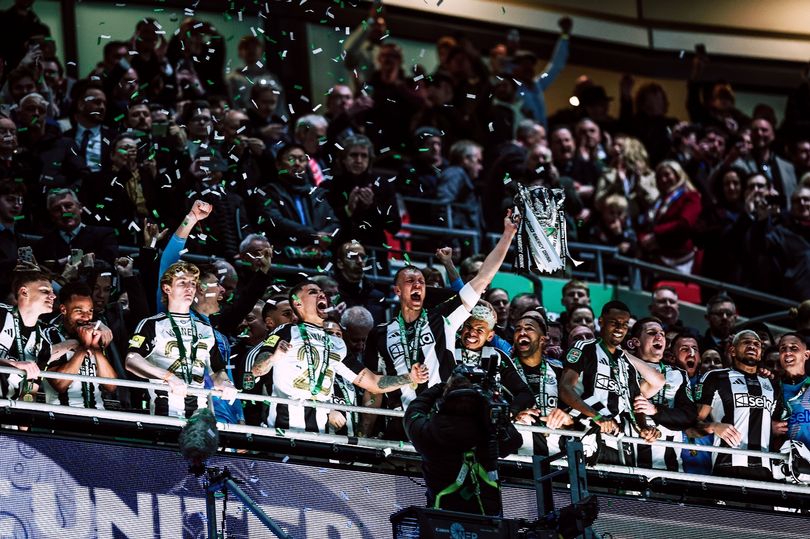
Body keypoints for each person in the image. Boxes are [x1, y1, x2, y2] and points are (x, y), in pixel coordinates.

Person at [364, 211, 519, 439]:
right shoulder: (380, 333)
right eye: (410, 281)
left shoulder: (443, 318)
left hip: (438, 420)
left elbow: (483, 278)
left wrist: (507, 234)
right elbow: (373, 388)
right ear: (397, 291)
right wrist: (363, 436)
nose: (418, 285)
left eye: (422, 282)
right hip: (398, 423)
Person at [244, 280, 429, 432]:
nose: (322, 294)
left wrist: (409, 377)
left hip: (322, 433)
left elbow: (372, 382)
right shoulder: (285, 330)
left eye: (322, 292)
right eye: (313, 292)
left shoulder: (336, 342)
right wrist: (274, 358)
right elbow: (258, 369)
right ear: (298, 303)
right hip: (284, 427)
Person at [126, 261, 236, 419]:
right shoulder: (151, 324)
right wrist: (169, 377)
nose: (189, 288)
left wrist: (226, 383)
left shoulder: (206, 329)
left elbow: (217, 370)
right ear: (167, 288)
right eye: (182, 282)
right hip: (164, 411)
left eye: (192, 283)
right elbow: (132, 359)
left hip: (201, 413)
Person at [404, 371, 523, 515]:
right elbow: (514, 441)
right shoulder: (490, 429)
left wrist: (440, 387)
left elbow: (413, 411)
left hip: (442, 516)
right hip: (487, 515)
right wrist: (489, 404)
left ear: (443, 400)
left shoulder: (430, 431)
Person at [559, 301, 663, 464]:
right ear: (600, 322)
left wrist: (644, 428)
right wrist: (598, 417)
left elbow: (635, 403)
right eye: (614, 323)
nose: (619, 328)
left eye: (624, 324)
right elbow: (565, 388)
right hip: (583, 432)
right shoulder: (585, 347)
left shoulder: (627, 362)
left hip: (618, 442)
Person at [694, 330, 785, 480]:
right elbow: (692, 426)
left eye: (757, 344)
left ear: (761, 353)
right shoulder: (716, 377)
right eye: (746, 342)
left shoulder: (772, 384)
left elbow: (775, 427)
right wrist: (714, 426)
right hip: (727, 466)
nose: (752, 346)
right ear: (732, 350)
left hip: (765, 470)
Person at [630, 318, 696, 471]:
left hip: (669, 467)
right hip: (629, 462)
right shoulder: (623, 368)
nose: (659, 337)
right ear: (635, 342)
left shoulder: (678, 374)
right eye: (652, 333)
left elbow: (688, 417)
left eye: (662, 334)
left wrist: (655, 410)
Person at [43, 282, 117, 409]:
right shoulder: (49, 334)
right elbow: (60, 384)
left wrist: (95, 348)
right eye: (79, 311)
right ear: (63, 310)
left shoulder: (95, 333)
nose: (86, 316)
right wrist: (84, 347)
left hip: (98, 415)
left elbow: (111, 386)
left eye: (90, 311)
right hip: (63, 417)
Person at [511, 310, 574, 455]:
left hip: (558, 460)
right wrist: (514, 415)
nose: (522, 332)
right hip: (515, 459)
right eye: (518, 329)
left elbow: (578, 413)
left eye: (529, 328)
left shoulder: (561, 371)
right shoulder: (504, 369)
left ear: (543, 340)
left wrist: (568, 419)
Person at [0, 269, 61, 400]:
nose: (53, 296)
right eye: (45, 291)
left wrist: (23, 419)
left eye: (53, 292)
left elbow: (30, 391)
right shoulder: (1, 314)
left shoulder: (44, 343)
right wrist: (14, 365)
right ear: (24, 292)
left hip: (9, 412)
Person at [32, 188, 119, 271]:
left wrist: (67, 260)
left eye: (68, 206)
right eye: (57, 209)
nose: (64, 211)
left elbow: (109, 263)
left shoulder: (103, 235)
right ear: (51, 216)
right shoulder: (43, 245)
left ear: (80, 208)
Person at [777, 333, 810, 446]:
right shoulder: (772, 388)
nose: (787, 352)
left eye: (794, 348)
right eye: (783, 349)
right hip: (785, 459)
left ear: (806, 355)